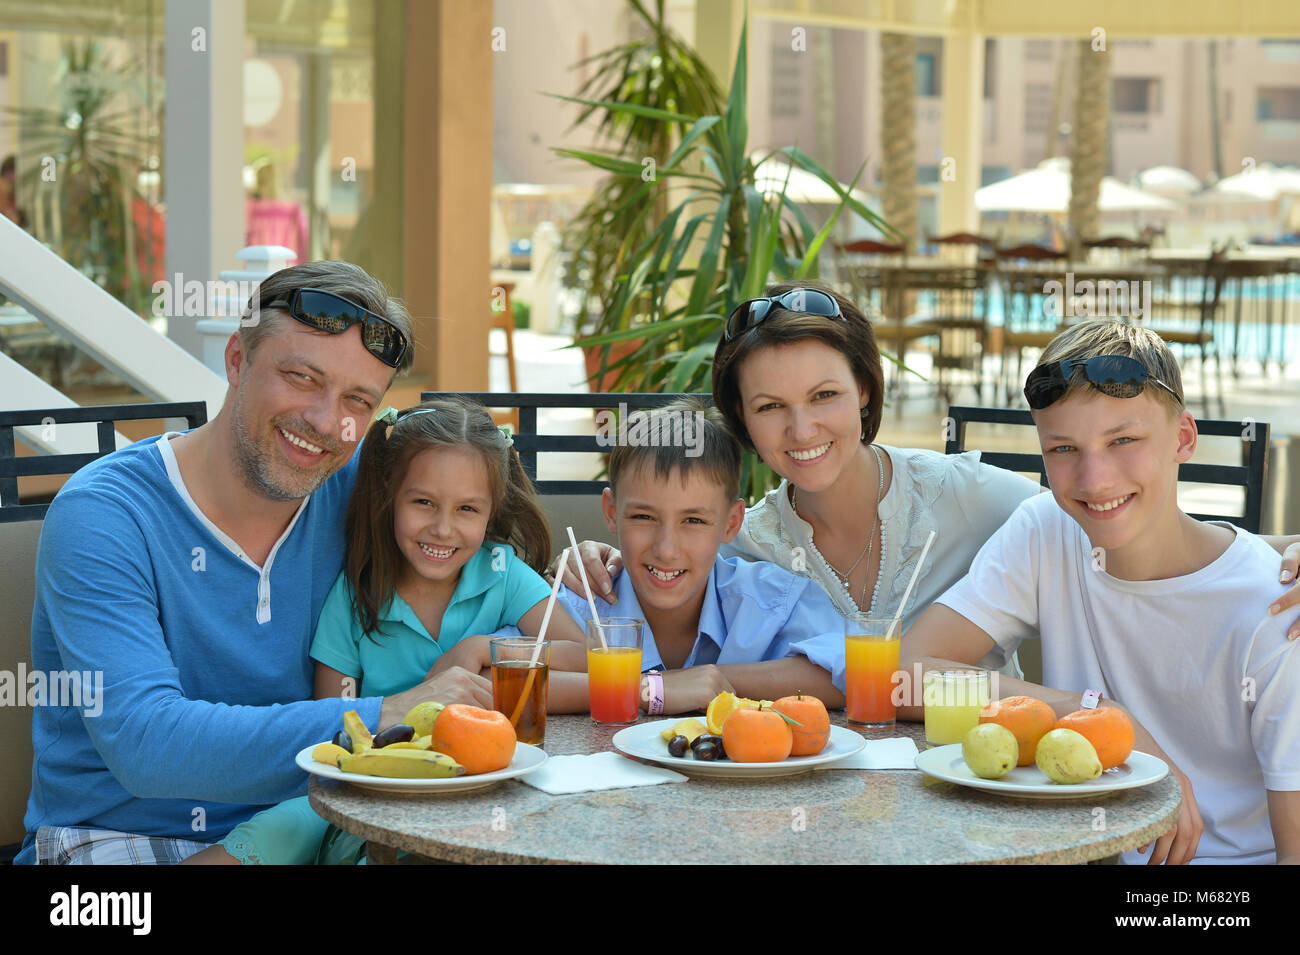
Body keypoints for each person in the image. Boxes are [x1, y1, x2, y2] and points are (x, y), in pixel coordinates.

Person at [17, 262, 491, 866]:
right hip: (112, 842)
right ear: (237, 359)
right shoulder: (104, 514)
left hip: (313, 825)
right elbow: (145, 745)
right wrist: (384, 713)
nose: (324, 421)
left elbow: (487, 564)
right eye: (301, 377)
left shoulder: (361, 494)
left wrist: (587, 566)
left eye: (357, 400)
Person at [563, 284, 1300, 654]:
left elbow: (1114, 511)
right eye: (769, 406)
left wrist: (1276, 553)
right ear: (745, 422)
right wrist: (603, 556)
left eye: (824, 396)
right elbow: (663, 565)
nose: (801, 428)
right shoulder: (742, 543)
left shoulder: (968, 497)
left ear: (865, 393)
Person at [898, 320, 1300, 865]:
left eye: (1123, 440)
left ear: (1182, 438)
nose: (1095, 479)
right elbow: (906, 671)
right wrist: (1101, 714)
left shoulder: (1277, 609)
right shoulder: (1046, 530)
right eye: (1063, 448)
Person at [184, 396, 588, 864]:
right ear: (389, 494)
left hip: (487, 787)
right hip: (369, 790)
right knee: (272, 835)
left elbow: (585, 656)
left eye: (467, 510)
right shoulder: (357, 598)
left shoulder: (502, 572)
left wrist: (480, 649)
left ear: (492, 511)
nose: (443, 528)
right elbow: (334, 725)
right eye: (423, 503)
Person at [533, 397, 848, 714]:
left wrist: (712, 679)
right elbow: (495, 678)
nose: (666, 549)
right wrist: (645, 690)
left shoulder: (770, 601)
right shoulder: (577, 602)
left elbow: (854, 673)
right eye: (644, 517)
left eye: (694, 521)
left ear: (731, 523)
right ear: (612, 512)